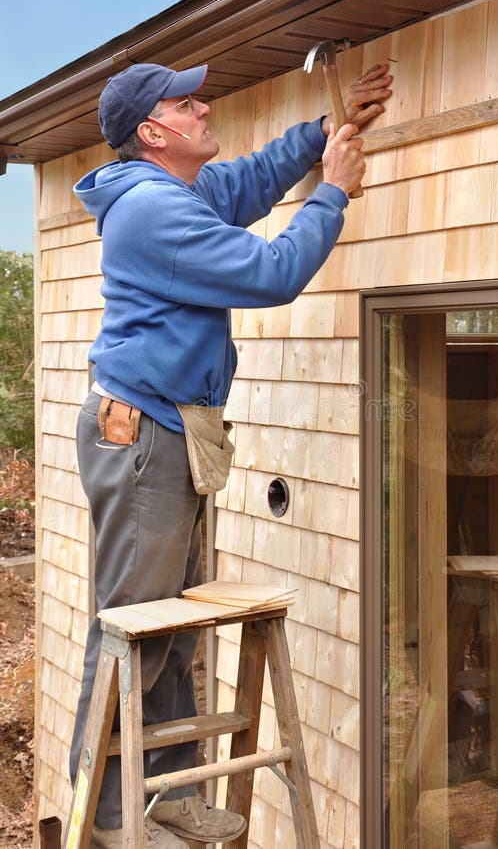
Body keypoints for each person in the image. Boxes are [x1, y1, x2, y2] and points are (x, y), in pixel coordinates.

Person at [70, 59, 393, 848]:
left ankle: (164, 795)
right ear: (154, 132)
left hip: (170, 432)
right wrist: (334, 191)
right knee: (134, 627)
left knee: (172, 629)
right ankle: (109, 818)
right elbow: (273, 272)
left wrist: (322, 131)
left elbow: (247, 183)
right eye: (187, 102)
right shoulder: (152, 212)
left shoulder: (173, 195)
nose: (203, 104)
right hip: (144, 436)